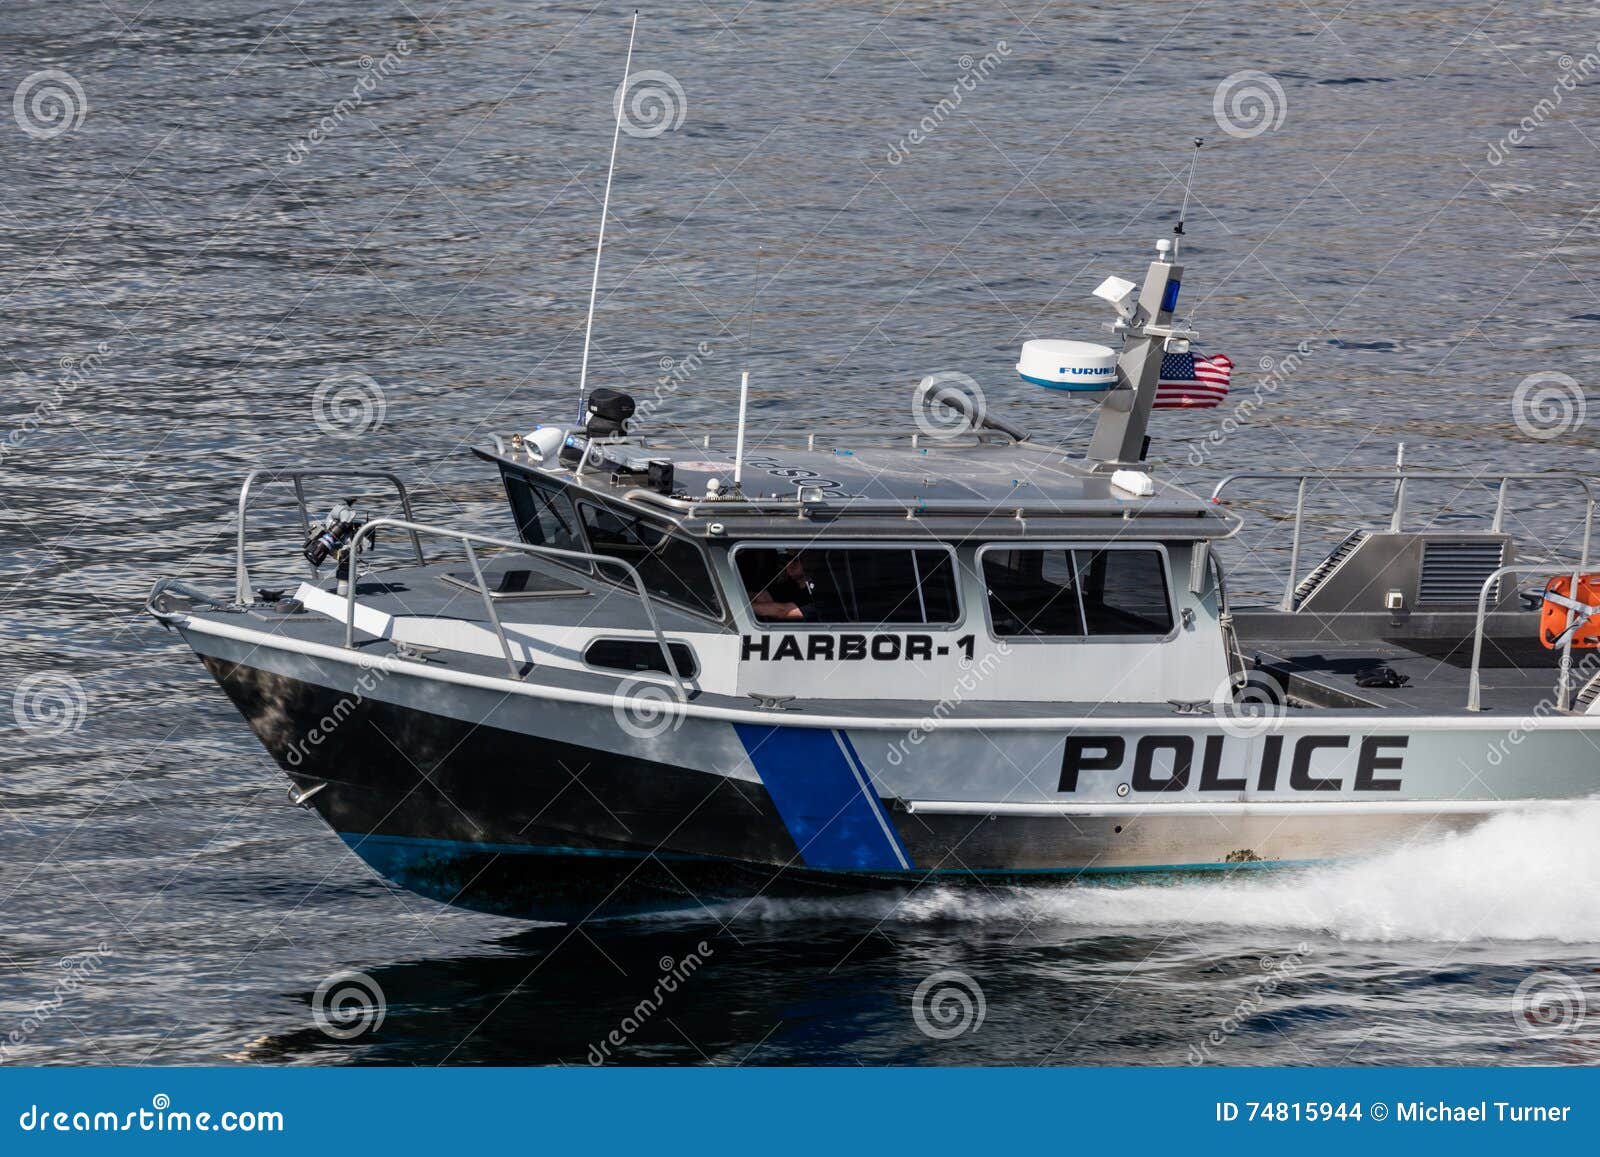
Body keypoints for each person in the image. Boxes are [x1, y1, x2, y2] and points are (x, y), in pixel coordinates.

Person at [750, 551, 812, 621]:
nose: (789, 567)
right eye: (787, 562)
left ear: (808, 563)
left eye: (795, 561)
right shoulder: (790, 585)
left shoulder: (818, 592)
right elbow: (763, 596)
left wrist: (743, 607)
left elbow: (782, 611)